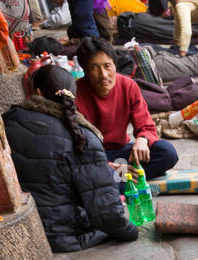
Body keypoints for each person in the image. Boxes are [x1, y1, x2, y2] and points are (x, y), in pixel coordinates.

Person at [4, 65, 139, 252]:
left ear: (37, 92)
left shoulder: (9, 120)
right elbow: (106, 212)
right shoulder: (81, 136)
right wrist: (131, 231)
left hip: (25, 224)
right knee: (114, 178)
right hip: (62, 233)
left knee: (111, 173)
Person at [74, 36, 179, 180]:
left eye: (107, 66)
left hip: (121, 151)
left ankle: (119, 181)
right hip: (93, 157)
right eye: (94, 68)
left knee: (167, 153)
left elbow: (146, 126)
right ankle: (122, 180)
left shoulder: (128, 86)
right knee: (84, 171)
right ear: (85, 70)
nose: (103, 75)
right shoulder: (75, 93)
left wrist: (143, 140)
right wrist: (108, 165)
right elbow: (77, 146)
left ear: (115, 65)